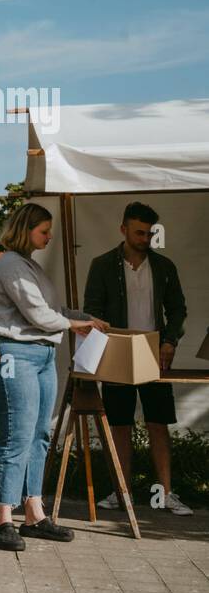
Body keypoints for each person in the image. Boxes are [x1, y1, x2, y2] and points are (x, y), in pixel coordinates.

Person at [0, 203, 108, 551]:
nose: (49, 236)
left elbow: (51, 311)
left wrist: (84, 318)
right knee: (17, 434)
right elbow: (38, 314)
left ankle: (34, 513)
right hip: (15, 353)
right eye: (43, 230)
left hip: (40, 354)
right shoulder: (11, 264)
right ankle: (3, 519)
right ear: (25, 229)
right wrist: (73, 323)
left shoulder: (29, 266)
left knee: (39, 433)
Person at [83, 202, 190, 516]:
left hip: (155, 351)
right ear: (124, 230)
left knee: (158, 423)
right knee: (120, 424)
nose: (145, 238)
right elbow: (93, 309)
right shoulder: (102, 265)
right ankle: (121, 493)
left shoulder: (164, 266)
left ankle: (165, 494)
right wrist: (104, 345)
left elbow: (178, 309)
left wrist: (170, 341)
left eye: (150, 233)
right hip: (118, 351)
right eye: (140, 232)